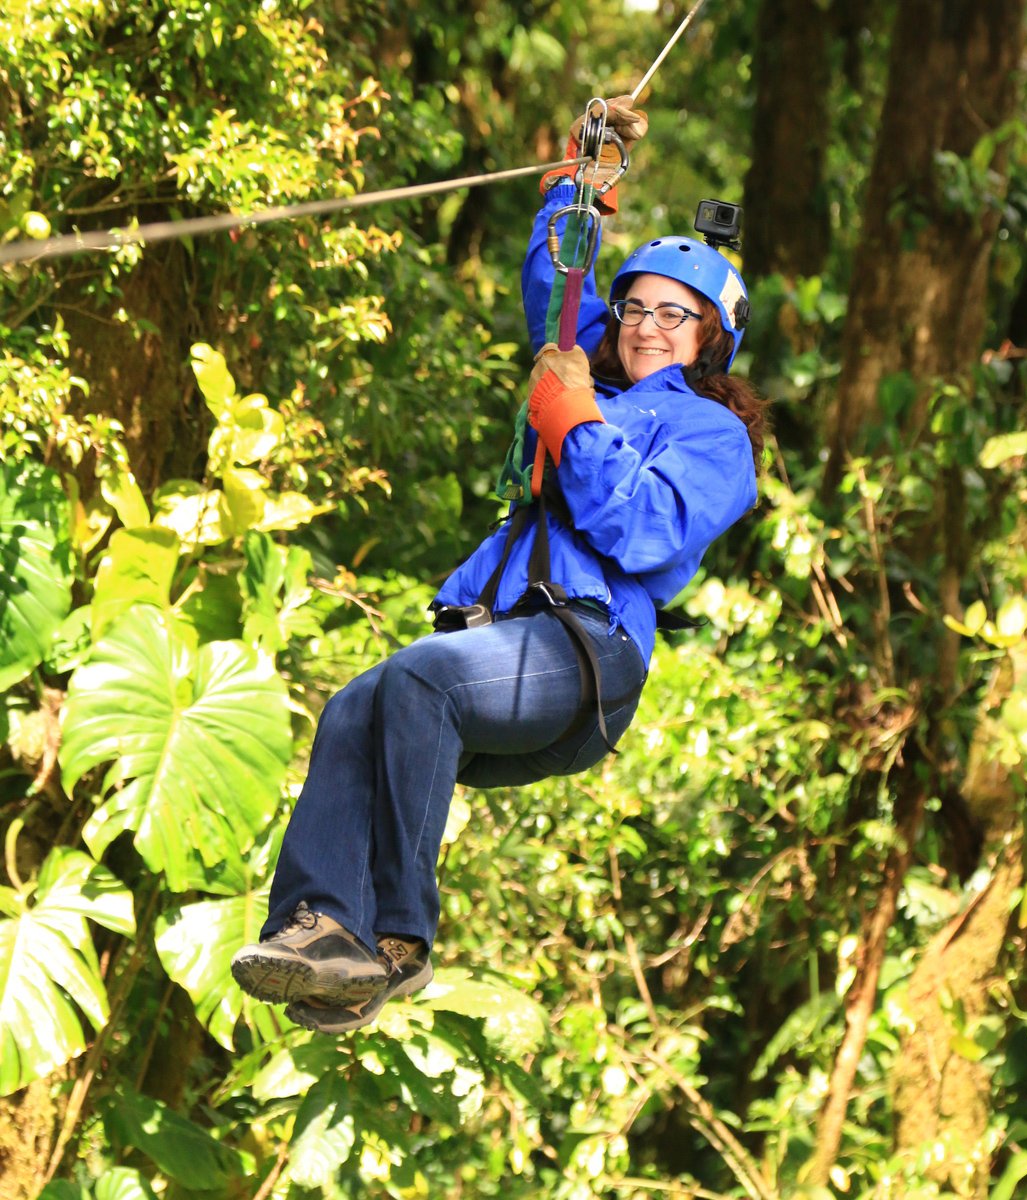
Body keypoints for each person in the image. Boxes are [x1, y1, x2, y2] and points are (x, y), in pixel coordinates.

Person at [230, 98, 769, 1033]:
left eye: (673, 316)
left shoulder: (711, 432)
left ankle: (397, 941)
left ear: (710, 337)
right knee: (359, 701)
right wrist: (580, 189)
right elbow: (556, 290)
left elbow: (641, 532)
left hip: (586, 654)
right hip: (506, 634)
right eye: (635, 305)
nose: (645, 325)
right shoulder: (581, 372)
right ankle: (319, 933)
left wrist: (578, 427)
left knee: (420, 679)